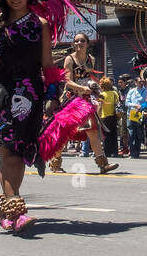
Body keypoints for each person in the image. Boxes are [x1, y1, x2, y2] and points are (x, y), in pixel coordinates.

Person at [0, 0, 52, 233]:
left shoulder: (40, 23)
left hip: (30, 93)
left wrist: (52, 97)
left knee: (19, 153)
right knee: (6, 150)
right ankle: (15, 207)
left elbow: (47, 63)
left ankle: (8, 212)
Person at [49, 34, 117, 174]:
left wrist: (95, 89)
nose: (79, 43)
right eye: (76, 41)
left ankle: (103, 164)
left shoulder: (91, 59)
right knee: (65, 132)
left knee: (92, 131)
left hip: (85, 100)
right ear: (73, 44)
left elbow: (89, 78)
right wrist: (81, 88)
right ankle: (55, 163)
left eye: (82, 40)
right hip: (71, 99)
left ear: (87, 43)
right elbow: (67, 81)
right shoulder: (69, 59)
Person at [125, 77, 147, 159]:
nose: (141, 83)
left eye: (142, 82)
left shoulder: (146, 91)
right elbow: (127, 103)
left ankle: (137, 153)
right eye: (139, 82)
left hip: (140, 114)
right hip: (131, 113)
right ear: (135, 82)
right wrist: (134, 105)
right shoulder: (131, 91)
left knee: (138, 133)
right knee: (131, 133)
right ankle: (132, 152)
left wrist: (141, 106)